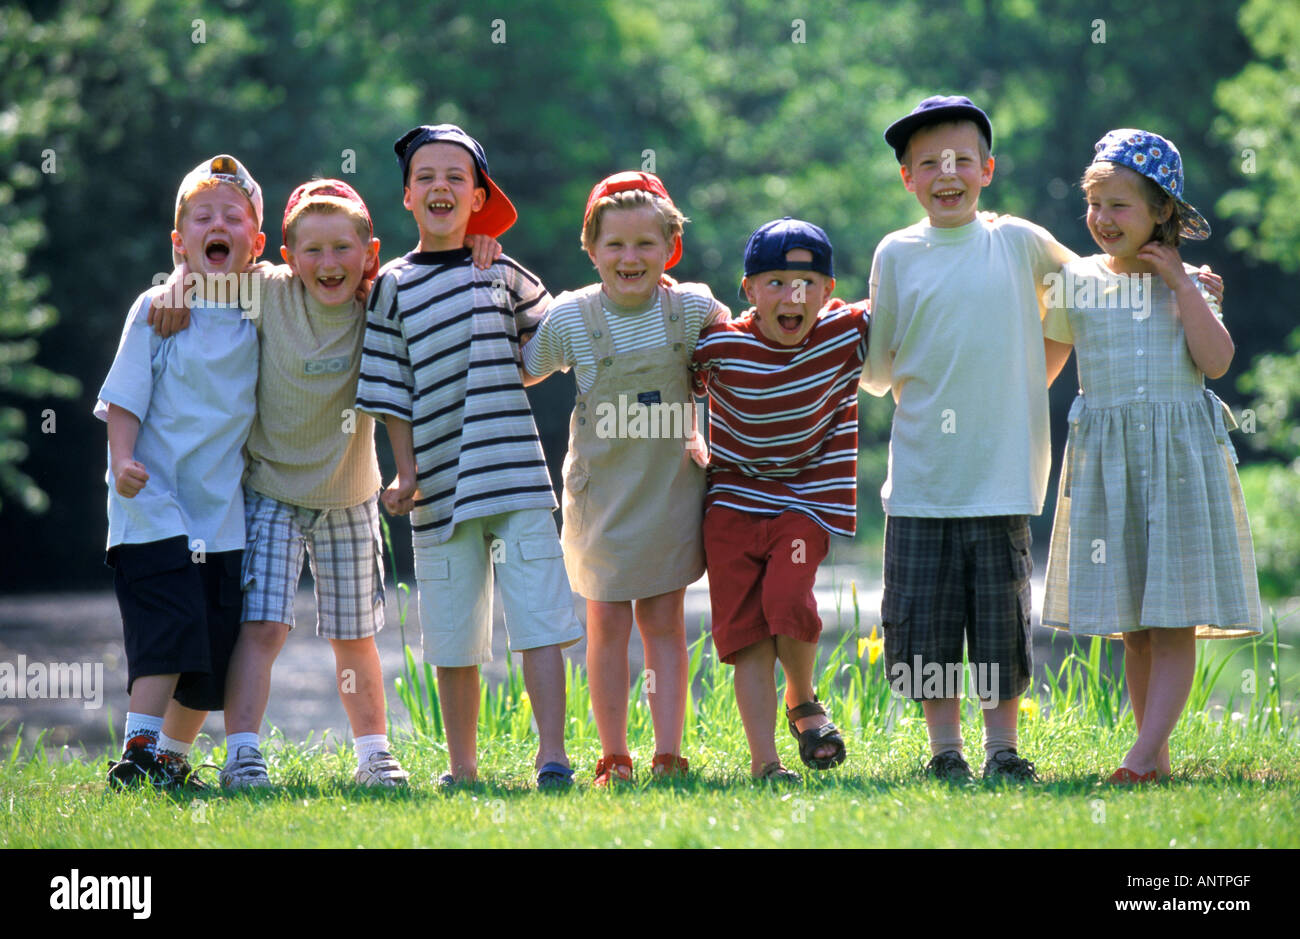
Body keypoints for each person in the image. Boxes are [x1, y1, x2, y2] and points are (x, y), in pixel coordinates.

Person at [357, 124, 583, 789]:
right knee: (454, 639)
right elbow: (390, 386)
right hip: (439, 491)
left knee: (540, 623)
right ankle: (463, 768)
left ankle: (554, 759)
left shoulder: (502, 270)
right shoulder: (390, 286)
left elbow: (546, 345)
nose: (440, 187)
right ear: (406, 197)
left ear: (478, 195)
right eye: (426, 176)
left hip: (515, 481)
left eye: (457, 177)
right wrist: (405, 470)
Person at [1040, 128, 1262, 784]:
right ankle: (1153, 754)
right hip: (1109, 468)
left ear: (1163, 212)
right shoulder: (1076, 282)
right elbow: (1042, 371)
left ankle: (1140, 755)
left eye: (1120, 206)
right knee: (1134, 622)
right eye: (1095, 205)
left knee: (1171, 617)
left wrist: (1184, 286)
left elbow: (1216, 361)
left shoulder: (1192, 282)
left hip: (1178, 464)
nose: (1102, 219)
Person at [523, 172, 727, 785]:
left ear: (671, 247)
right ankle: (614, 754)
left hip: (668, 491)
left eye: (645, 244)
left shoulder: (691, 308)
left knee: (663, 623)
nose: (630, 257)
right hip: (601, 498)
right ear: (591, 249)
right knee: (605, 625)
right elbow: (524, 370)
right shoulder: (570, 316)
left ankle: (669, 752)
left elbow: (737, 356)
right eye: (614, 245)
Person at [95, 155, 263, 790]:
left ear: (256, 242)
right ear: (179, 241)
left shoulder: (261, 305)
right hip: (151, 505)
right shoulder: (158, 308)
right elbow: (125, 396)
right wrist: (121, 460)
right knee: (171, 628)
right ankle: (137, 751)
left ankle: (171, 759)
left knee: (214, 650)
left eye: (232, 217)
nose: (216, 224)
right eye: (202, 217)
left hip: (221, 516)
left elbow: (319, 275)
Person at [692, 217, 868, 782]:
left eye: (806, 284)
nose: (791, 296)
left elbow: (920, 287)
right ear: (747, 292)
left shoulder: (848, 332)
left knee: (788, 597)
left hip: (806, 501)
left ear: (828, 292)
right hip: (732, 505)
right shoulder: (718, 346)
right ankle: (765, 761)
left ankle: (801, 700)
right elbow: (664, 374)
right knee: (745, 635)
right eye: (774, 283)